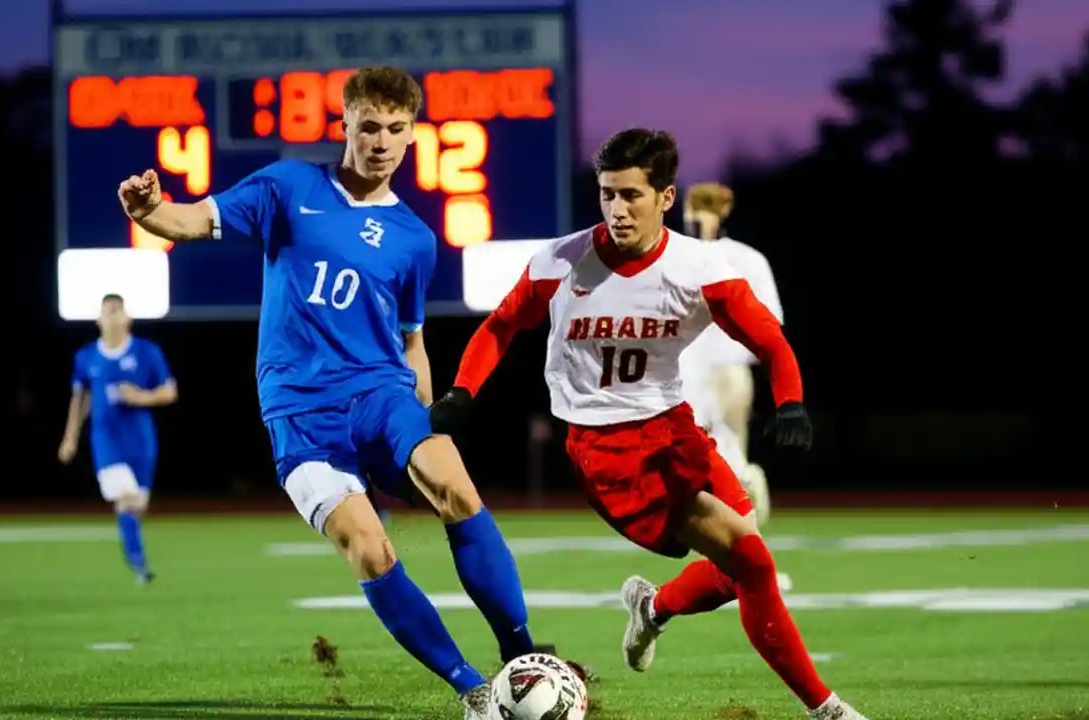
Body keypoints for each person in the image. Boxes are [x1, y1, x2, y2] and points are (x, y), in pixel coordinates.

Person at [116, 66, 535, 719]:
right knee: (371, 549)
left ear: (413, 135)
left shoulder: (415, 240)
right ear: (346, 125)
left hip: (382, 395)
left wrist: (423, 417)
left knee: (455, 485)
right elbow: (195, 220)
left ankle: (524, 658)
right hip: (300, 413)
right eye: (369, 127)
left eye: (395, 128)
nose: (381, 141)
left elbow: (413, 341)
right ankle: (473, 690)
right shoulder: (289, 186)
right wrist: (149, 212)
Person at [429, 129, 870, 719]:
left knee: (740, 567)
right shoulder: (561, 261)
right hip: (607, 450)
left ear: (665, 197)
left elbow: (769, 339)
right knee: (754, 564)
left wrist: (790, 400)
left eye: (631, 195)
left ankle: (653, 609)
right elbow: (500, 326)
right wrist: (462, 390)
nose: (617, 209)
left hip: (673, 428)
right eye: (608, 194)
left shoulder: (697, 268)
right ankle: (827, 709)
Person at [679, 181, 791, 590]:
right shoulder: (675, 255)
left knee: (725, 465)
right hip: (685, 373)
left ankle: (749, 562)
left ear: (721, 213)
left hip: (726, 368)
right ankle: (726, 562)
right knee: (697, 472)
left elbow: (769, 322)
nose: (696, 218)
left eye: (704, 209)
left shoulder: (744, 258)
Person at [59, 293, 178, 584]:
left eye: (117, 310)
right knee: (126, 497)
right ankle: (138, 560)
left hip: (140, 440)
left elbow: (170, 391)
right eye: (107, 311)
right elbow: (81, 398)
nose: (112, 316)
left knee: (137, 504)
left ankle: (134, 552)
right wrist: (70, 436)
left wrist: (141, 397)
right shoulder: (87, 357)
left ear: (127, 318)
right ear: (98, 320)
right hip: (106, 440)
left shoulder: (146, 352)